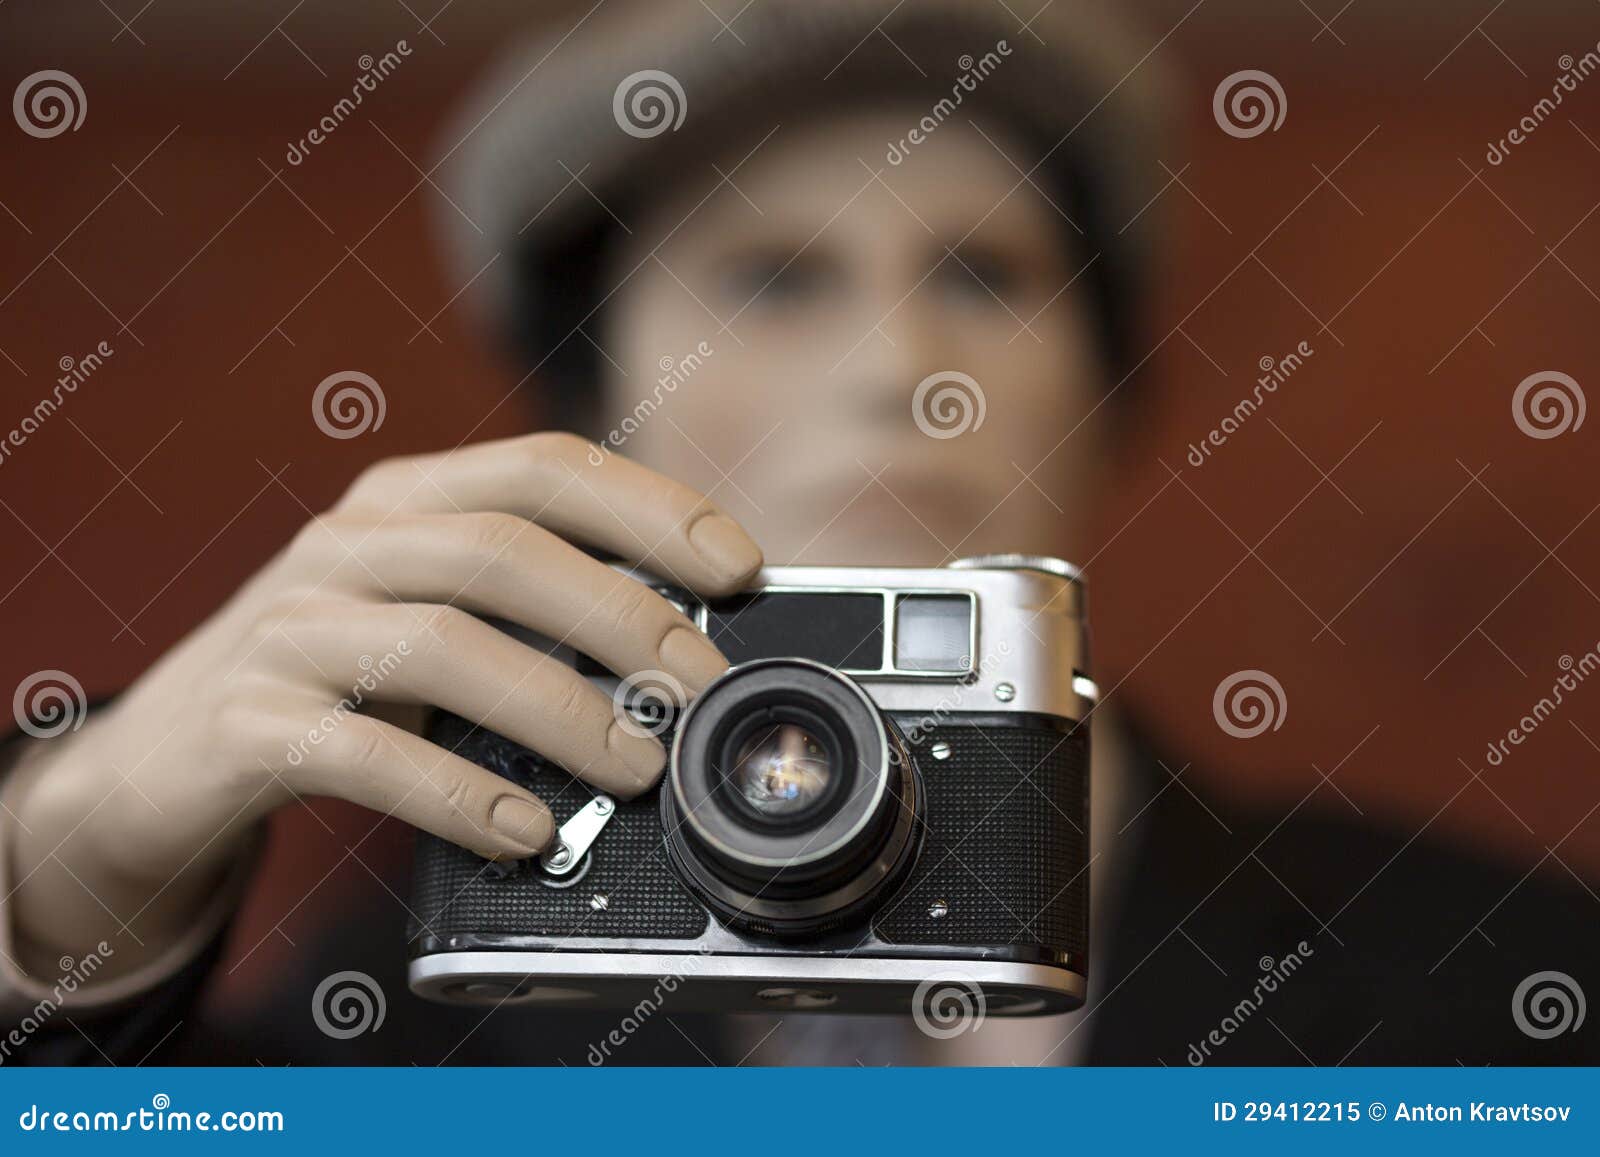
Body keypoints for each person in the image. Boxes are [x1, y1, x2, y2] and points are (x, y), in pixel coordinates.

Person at [2, 0, 1594, 1066]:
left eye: (982, 273)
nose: (899, 364)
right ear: (597, 412)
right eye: (772, 280)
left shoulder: (1504, 983)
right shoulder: (411, 1023)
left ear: (1107, 390)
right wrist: (70, 865)